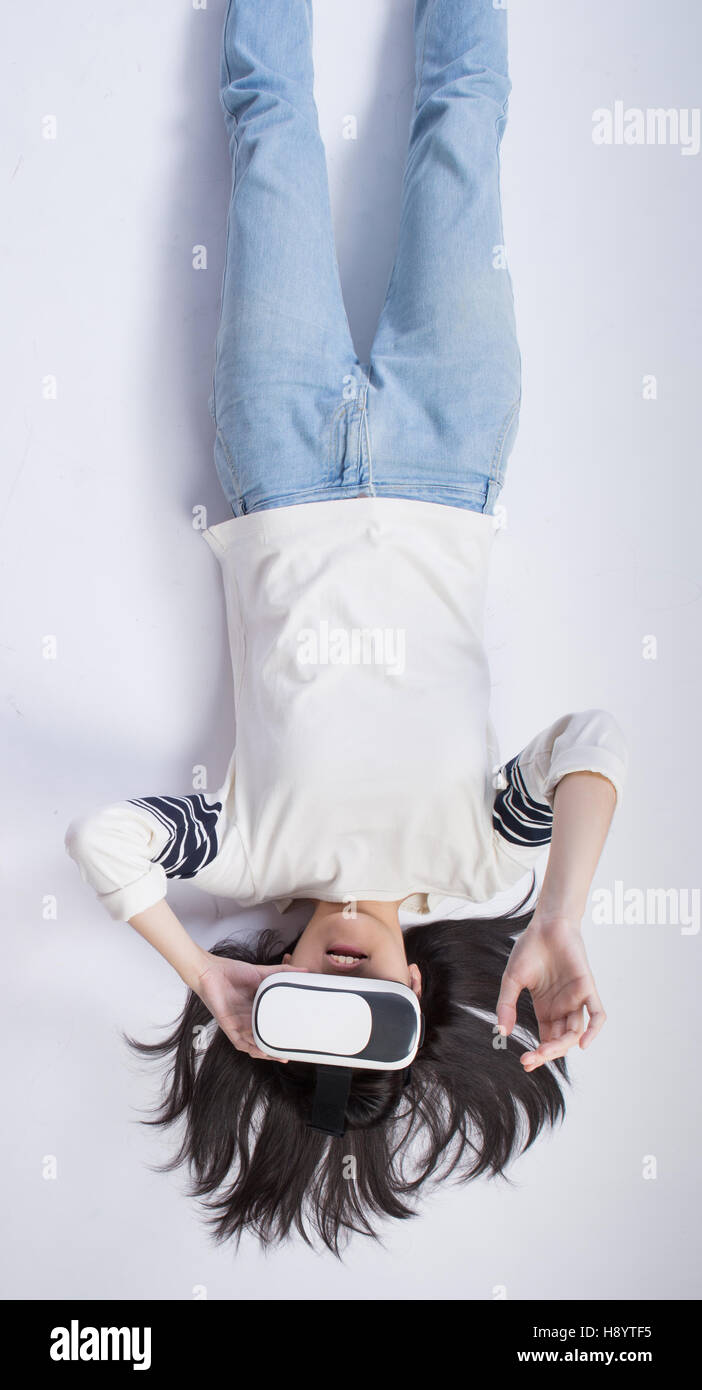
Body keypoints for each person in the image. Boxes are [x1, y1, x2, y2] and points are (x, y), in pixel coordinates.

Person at [64, 0, 628, 1255]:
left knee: (270, 128)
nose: (348, 966)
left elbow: (101, 840)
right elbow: (593, 738)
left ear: (283, 985)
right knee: (465, 129)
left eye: (311, 993)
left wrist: (206, 980)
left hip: (280, 460)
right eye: (377, 994)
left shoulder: (249, 849)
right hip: (452, 456)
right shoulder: (483, 867)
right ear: (420, 991)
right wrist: (562, 917)